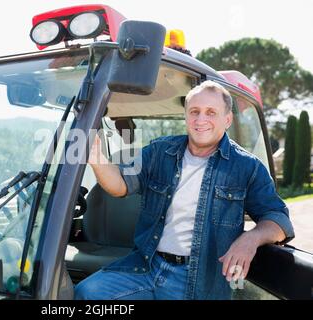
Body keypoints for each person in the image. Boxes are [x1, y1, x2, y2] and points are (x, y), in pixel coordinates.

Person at [75, 80, 294, 300]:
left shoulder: (248, 167)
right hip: (147, 266)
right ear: (186, 116)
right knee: (87, 293)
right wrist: (95, 157)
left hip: (198, 279)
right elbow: (120, 185)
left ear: (227, 120)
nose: (201, 120)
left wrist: (250, 239)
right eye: (194, 112)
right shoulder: (160, 151)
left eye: (211, 112)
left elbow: (279, 220)